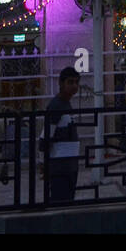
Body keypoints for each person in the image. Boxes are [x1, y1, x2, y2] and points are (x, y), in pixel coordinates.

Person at [44, 67, 81, 202]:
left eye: (76, 82)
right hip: (60, 166)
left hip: (69, 164)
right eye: (70, 82)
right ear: (61, 83)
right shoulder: (56, 106)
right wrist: (43, 163)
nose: (74, 86)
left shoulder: (66, 104)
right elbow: (47, 136)